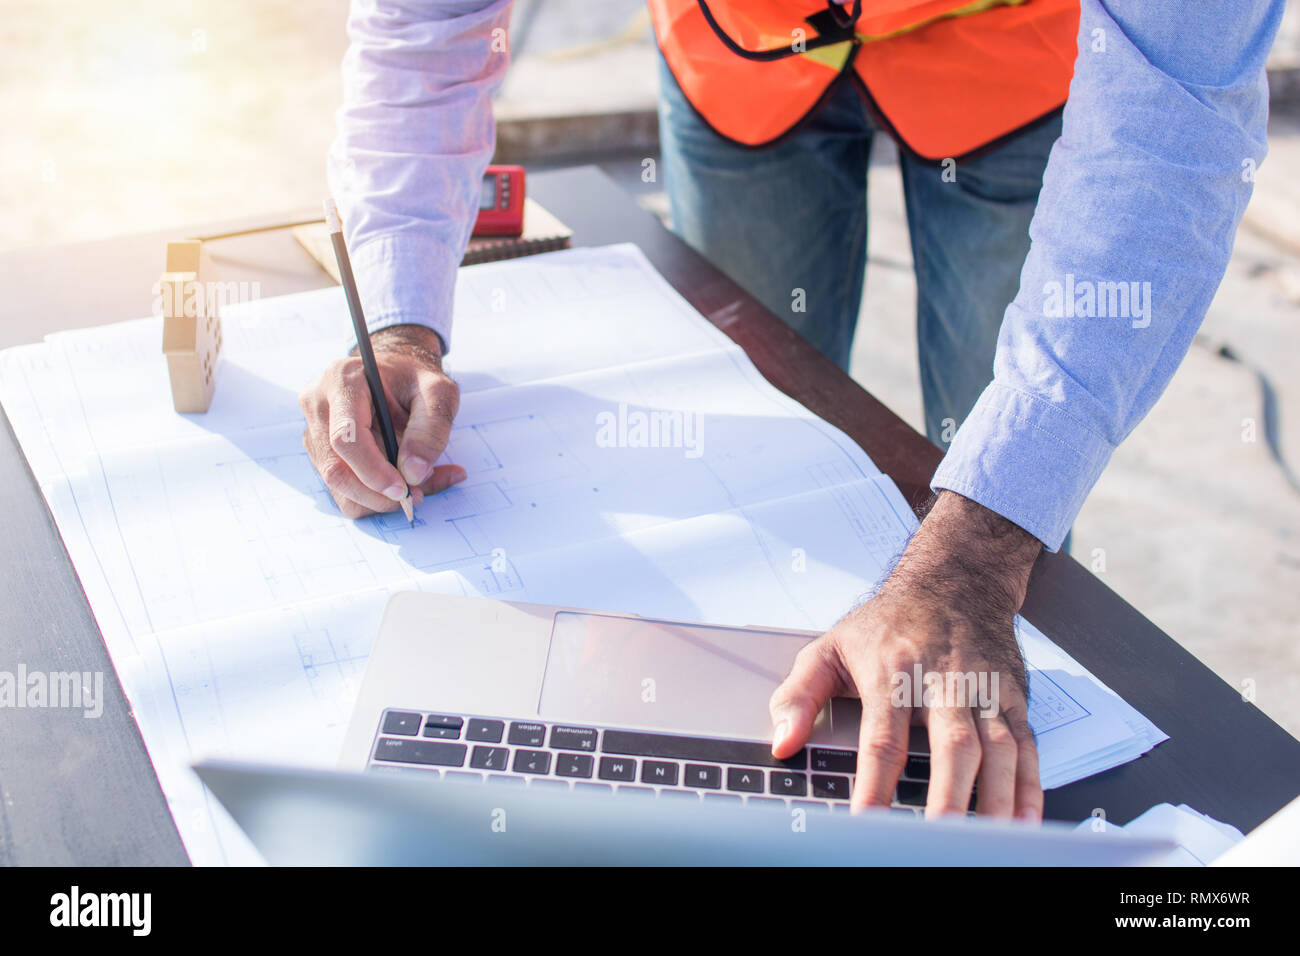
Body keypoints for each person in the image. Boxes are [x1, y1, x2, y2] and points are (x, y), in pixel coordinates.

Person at [298, 0, 1283, 822]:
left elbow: (1171, 107)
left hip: (1017, 58)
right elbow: (424, 30)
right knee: (760, 469)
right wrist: (399, 315)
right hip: (743, 52)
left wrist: (979, 551)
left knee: (999, 516)